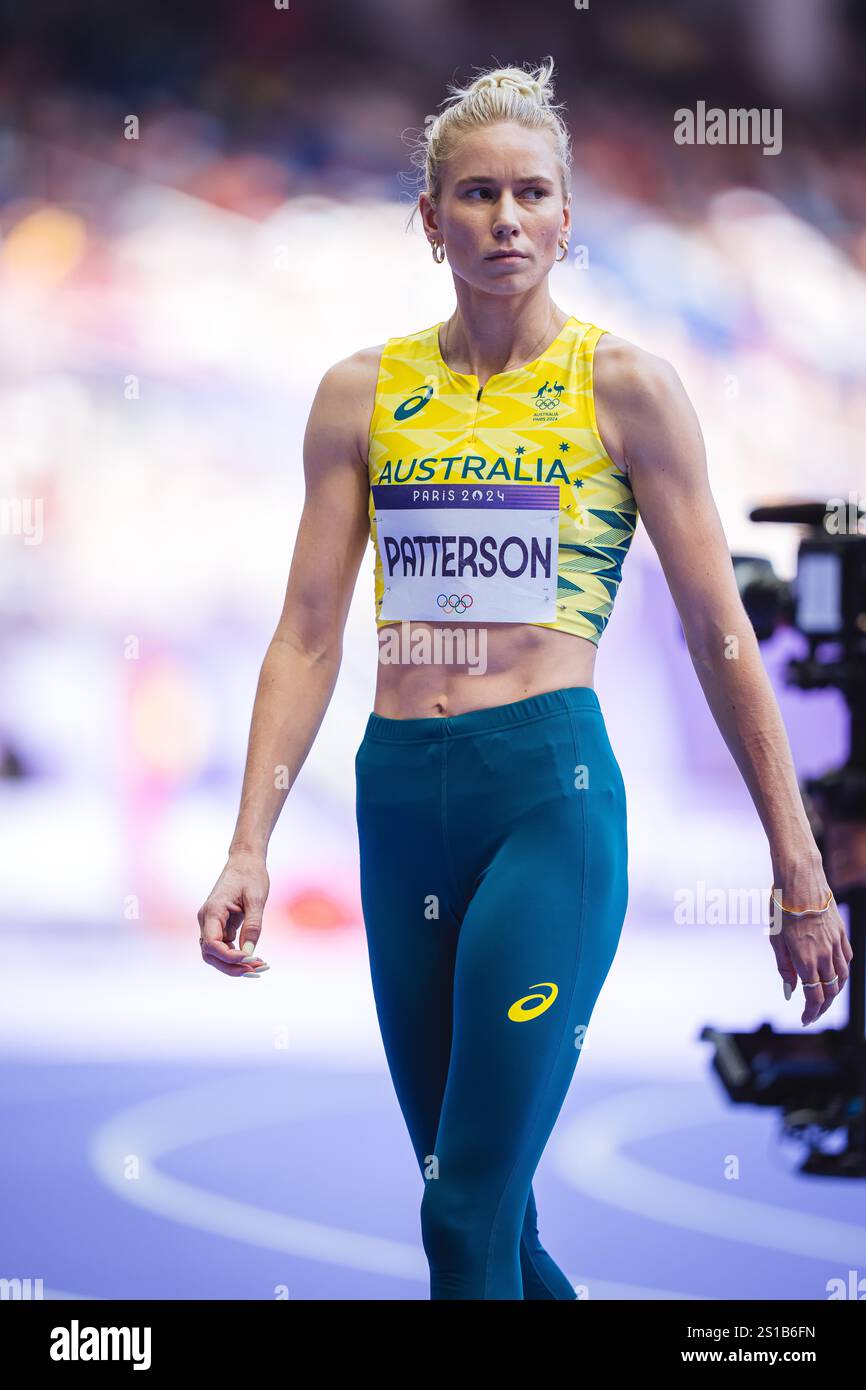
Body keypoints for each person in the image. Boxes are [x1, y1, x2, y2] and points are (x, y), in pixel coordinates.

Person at [197, 56, 851, 1299]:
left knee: (458, 1215)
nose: (505, 219)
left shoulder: (627, 391)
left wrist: (797, 863)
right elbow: (305, 636)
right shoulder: (359, 394)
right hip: (398, 802)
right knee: (495, 1222)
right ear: (428, 216)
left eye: (531, 195)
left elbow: (721, 635)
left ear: (566, 216)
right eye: (476, 194)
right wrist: (248, 843)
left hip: (545, 801)